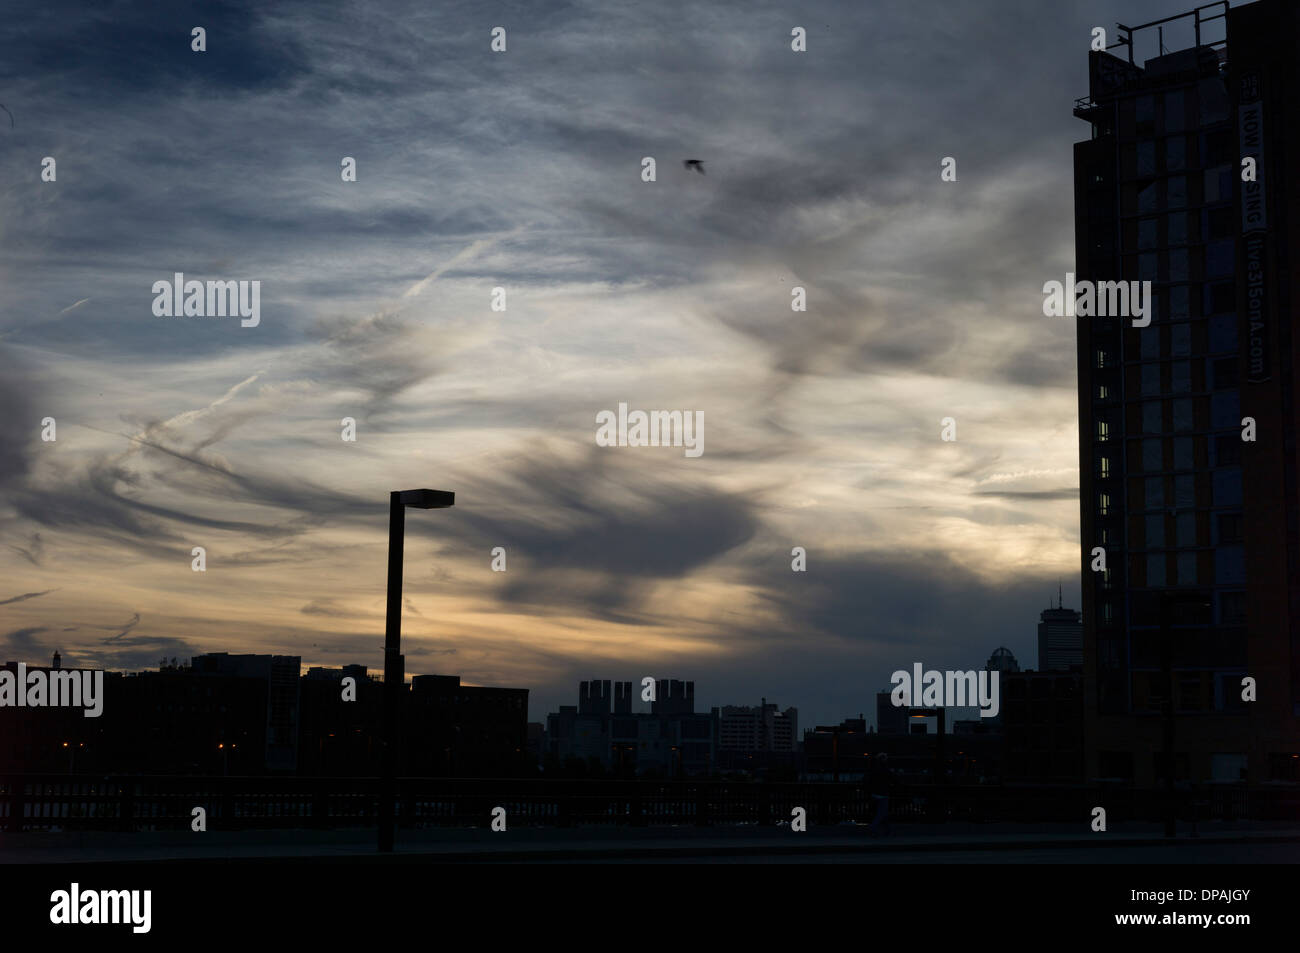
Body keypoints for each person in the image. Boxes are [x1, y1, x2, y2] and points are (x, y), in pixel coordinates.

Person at [868, 752, 891, 837]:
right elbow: (893, 778)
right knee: (881, 813)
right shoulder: (885, 769)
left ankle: (887, 831)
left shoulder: (873, 768)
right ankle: (873, 828)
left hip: (874, 794)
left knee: (882, 813)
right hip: (883, 794)